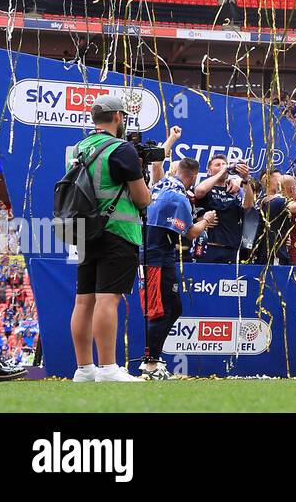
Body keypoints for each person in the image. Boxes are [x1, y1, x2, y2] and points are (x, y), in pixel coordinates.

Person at [69, 94, 152, 383]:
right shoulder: (122, 149)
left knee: (83, 301)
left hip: (84, 230)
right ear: (118, 117)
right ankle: (108, 368)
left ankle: (84, 369)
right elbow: (142, 198)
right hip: (117, 231)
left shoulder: (79, 148)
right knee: (108, 298)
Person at [139, 176, 217, 380]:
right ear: (192, 176)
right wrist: (207, 220)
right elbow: (191, 234)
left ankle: (154, 360)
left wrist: (171, 141)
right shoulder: (177, 196)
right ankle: (150, 365)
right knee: (159, 312)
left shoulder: (158, 187)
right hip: (153, 260)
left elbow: (157, 166)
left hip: (164, 257)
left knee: (174, 309)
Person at [192, 155, 254, 263]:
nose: (222, 166)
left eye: (224, 164)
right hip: (208, 247)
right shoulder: (206, 188)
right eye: (217, 165)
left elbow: (248, 206)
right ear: (209, 171)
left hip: (230, 247)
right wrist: (224, 170)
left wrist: (245, 180)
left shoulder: (234, 189)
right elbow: (199, 192)